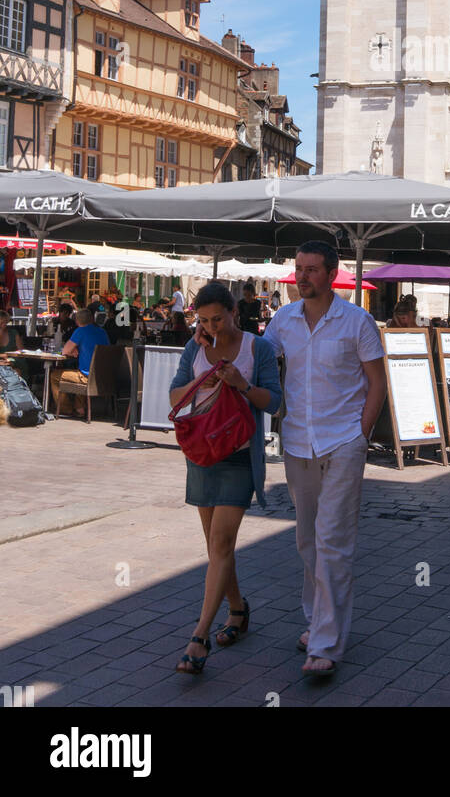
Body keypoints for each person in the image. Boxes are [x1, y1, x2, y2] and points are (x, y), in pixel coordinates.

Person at [262, 241, 387, 678]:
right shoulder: (283, 320)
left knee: (333, 541)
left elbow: (377, 383)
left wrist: (361, 433)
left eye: (312, 269)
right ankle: (316, 620)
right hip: (297, 442)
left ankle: (326, 645)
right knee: (307, 540)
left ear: (332, 273)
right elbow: (260, 360)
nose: (302, 277)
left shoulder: (357, 322)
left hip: (342, 443)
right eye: (298, 269)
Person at [170, 281, 282, 674]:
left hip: (238, 458)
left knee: (221, 542)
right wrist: (203, 378)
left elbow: (275, 402)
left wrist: (241, 385)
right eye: (204, 320)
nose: (213, 326)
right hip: (202, 454)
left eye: (219, 318)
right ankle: (237, 610)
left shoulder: (259, 348)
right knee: (217, 548)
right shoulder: (195, 347)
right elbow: (174, 397)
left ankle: (199, 637)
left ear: (235, 312)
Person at [49, 308, 110, 418]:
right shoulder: (103, 332)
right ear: (92, 319)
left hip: (87, 377)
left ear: (77, 321)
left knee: (55, 375)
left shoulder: (80, 331)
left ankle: (65, 408)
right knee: (79, 371)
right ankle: (79, 408)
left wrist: (72, 352)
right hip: (104, 377)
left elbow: (65, 351)